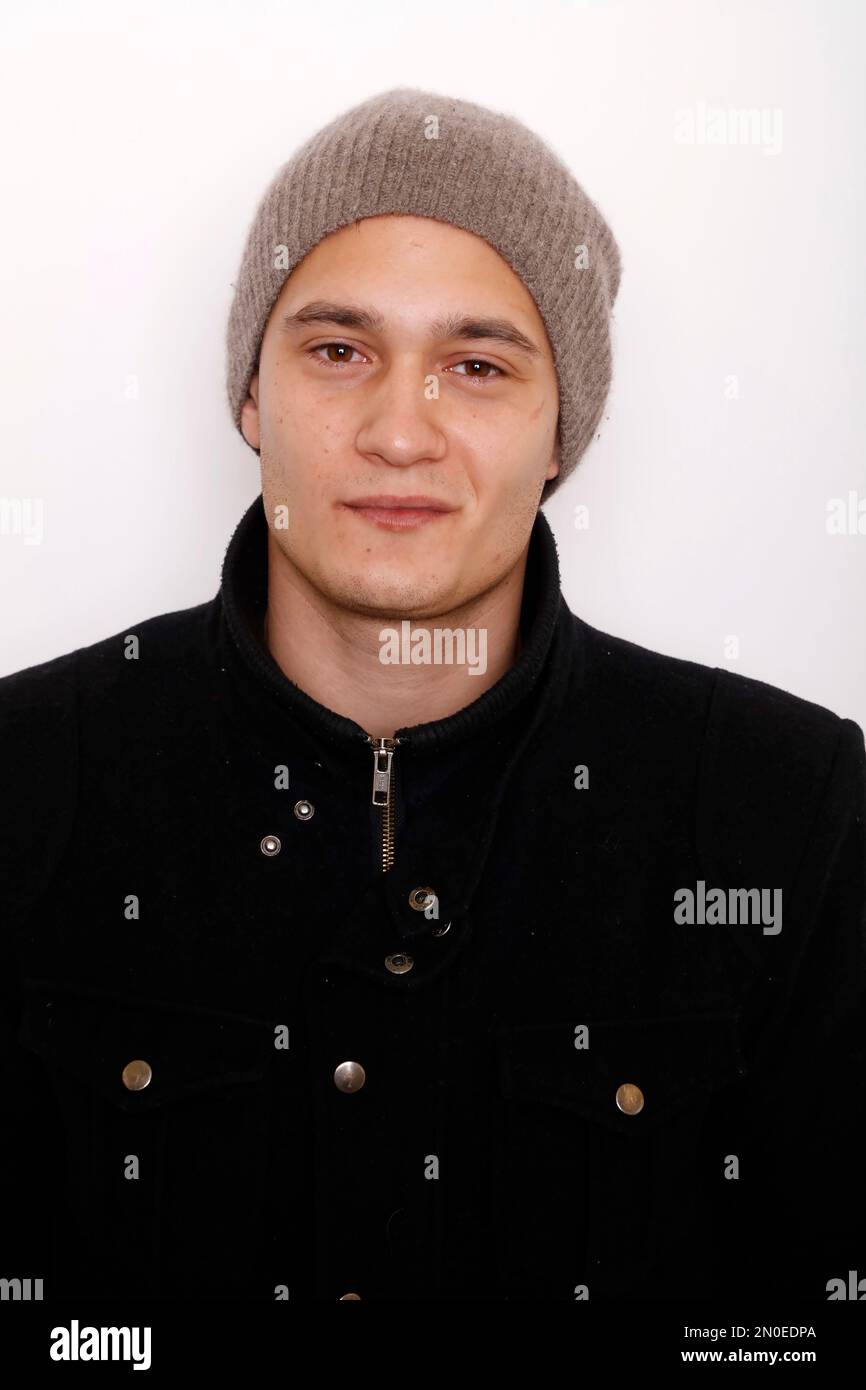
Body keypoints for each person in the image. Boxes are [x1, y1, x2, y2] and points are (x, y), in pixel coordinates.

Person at [1, 87, 864, 1304]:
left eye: (475, 365)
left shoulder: (789, 810)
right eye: (338, 350)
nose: (399, 432)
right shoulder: (27, 780)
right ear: (251, 397)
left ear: (561, 428)